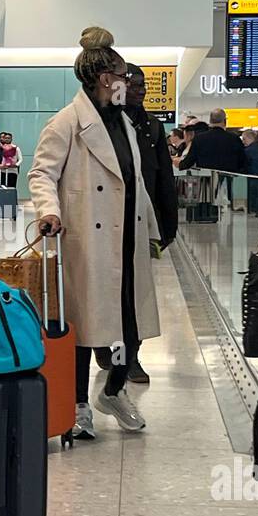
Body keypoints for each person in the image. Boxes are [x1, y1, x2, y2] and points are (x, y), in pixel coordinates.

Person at [30, 27, 162, 438]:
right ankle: (79, 405)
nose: (128, 83)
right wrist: (48, 212)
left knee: (128, 323)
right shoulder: (67, 122)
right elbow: (41, 174)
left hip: (127, 237)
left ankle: (113, 390)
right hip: (88, 238)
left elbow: (135, 181)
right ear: (106, 78)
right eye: (123, 75)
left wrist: (153, 228)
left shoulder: (123, 122)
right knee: (86, 328)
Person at [96, 62, 177, 384]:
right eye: (133, 84)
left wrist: (168, 224)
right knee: (108, 290)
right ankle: (107, 347)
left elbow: (162, 176)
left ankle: (130, 356)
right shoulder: (103, 125)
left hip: (142, 220)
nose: (141, 90)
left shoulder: (152, 127)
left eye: (143, 85)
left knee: (135, 293)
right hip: (106, 221)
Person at [180, 109, 246, 173]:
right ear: (225, 121)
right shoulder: (234, 138)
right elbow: (242, 162)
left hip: (207, 179)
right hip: (228, 179)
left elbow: (188, 162)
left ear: (210, 121)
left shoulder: (199, 138)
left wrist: (179, 164)